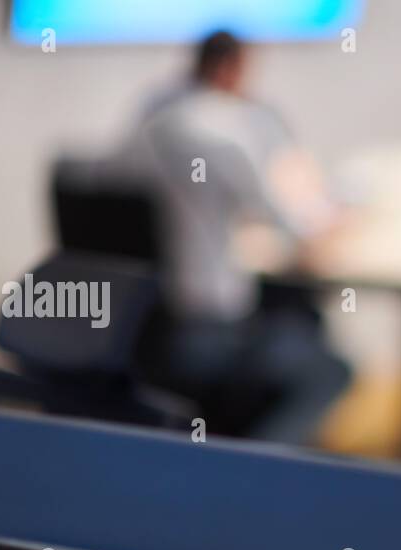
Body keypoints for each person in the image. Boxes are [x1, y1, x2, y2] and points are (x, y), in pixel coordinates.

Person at [122, 30, 348, 445]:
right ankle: (256, 467)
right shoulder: (223, 133)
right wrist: (332, 222)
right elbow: (291, 223)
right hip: (211, 331)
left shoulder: (141, 132)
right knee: (331, 369)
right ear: (231, 69)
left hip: (142, 328)